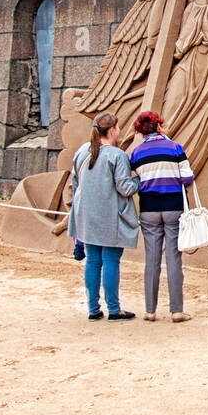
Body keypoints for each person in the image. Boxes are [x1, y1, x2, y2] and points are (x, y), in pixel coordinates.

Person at [68, 112, 140, 321]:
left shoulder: (82, 151)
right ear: (111, 130)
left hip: (86, 214)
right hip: (109, 215)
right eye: (117, 127)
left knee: (92, 260)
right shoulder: (117, 155)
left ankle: (93, 309)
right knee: (110, 260)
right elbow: (125, 188)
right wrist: (140, 180)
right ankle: (114, 309)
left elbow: (75, 183)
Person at [129, 110, 195, 323]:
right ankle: (177, 311)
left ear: (140, 131)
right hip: (173, 207)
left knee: (152, 259)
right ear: (159, 126)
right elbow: (188, 177)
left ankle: (150, 310)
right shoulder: (175, 148)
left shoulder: (136, 153)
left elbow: (133, 180)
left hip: (148, 209)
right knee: (174, 258)